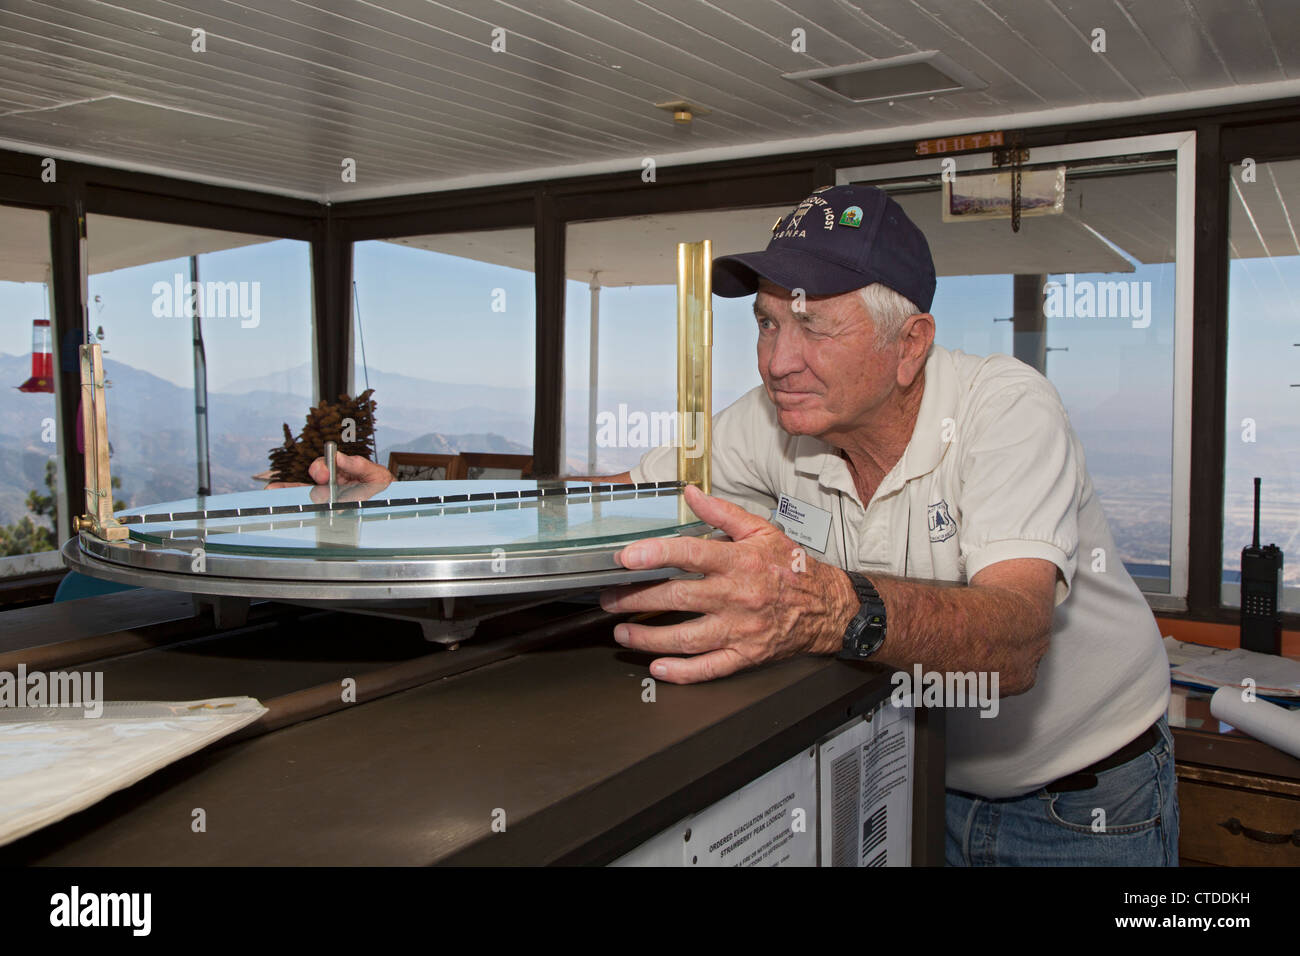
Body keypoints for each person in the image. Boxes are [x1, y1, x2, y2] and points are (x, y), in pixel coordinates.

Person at [303, 185, 1177, 867]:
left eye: (810, 325)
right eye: (765, 321)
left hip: (1082, 802)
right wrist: (412, 501)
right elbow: (616, 497)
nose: (775, 359)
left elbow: (1017, 638)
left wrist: (828, 609)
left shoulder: (1005, 408)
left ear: (909, 345)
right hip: (917, 774)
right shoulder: (772, 419)